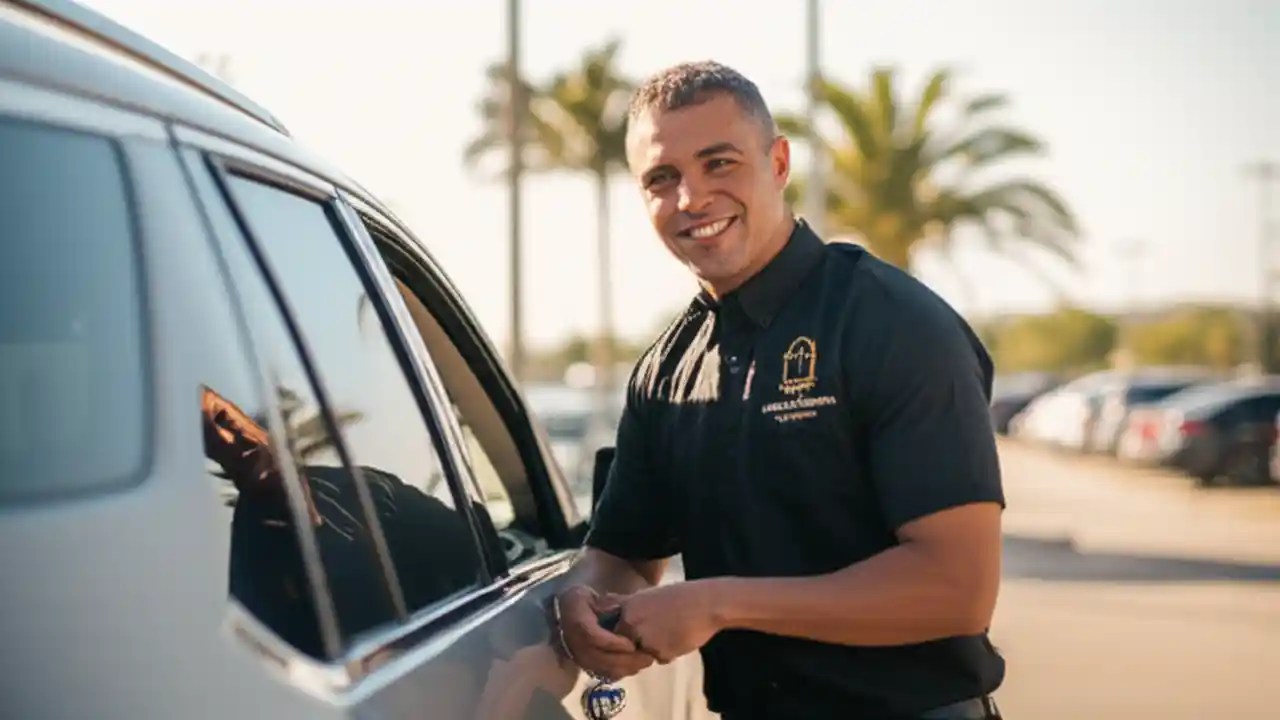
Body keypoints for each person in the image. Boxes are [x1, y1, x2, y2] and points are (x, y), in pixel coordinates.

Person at [552, 60, 1006, 719]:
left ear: (780, 163)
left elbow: (957, 588)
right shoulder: (665, 368)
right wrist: (578, 602)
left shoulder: (893, 324)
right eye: (662, 178)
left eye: (719, 163)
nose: (692, 199)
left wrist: (717, 603)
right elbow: (623, 552)